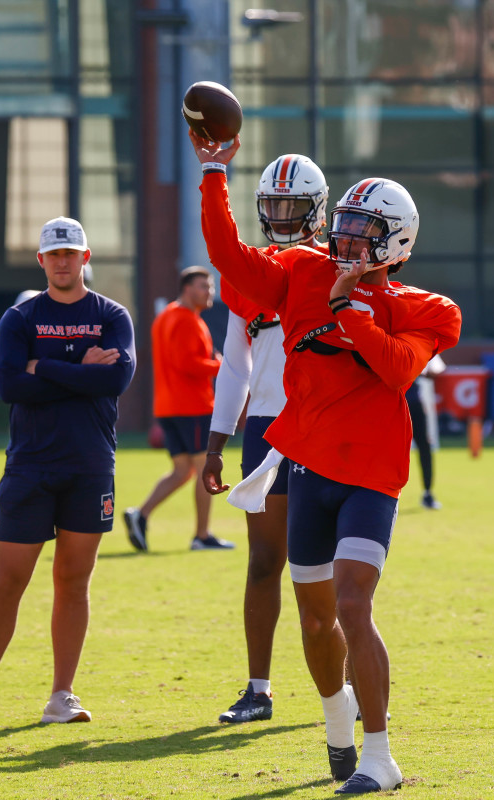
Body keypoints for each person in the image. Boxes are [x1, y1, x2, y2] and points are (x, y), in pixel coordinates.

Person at [195, 130, 462, 794]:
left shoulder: (427, 309)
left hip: (371, 476)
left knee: (351, 605)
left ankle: (380, 756)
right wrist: (211, 171)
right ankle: (337, 716)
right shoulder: (299, 273)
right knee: (315, 620)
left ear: (395, 239)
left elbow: (397, 370)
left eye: (361, 229)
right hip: (306, 468)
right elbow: (227, 255)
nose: (342, 241)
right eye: (341, 226)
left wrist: (351, 311)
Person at [0, 217, 135, 728]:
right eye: (54, 254)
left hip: (90, 464)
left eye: (70, 253)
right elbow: (9, 385)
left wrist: (45, 366)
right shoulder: (19, 317)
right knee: (8, 580)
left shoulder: (113, 315)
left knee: (73, 582)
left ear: (85, 257)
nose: (62, 261)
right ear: (40, 260)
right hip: (30, 466)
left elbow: (118, 377)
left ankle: (62, 696)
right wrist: (82, 370)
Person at [200, 154, 330, 723]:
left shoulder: (336, 267)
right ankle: (258, 689)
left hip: (324, 428)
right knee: (262, 562)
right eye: (272, 206)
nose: (279, 217)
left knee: (326, 569)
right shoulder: (247, 274)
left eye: (291, 207)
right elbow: (235, 366)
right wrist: (215, 440)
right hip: (265, 428)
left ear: (317, 212)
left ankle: (346, 688)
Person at [124, 266, 231, 552]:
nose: (209, 292)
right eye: (203, 286)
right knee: (203, 470)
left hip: (169, 407)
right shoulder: (186, 319)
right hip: (191, 407)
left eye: (209, 287)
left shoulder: (167, 316)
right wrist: (221, 365)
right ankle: (202, 536)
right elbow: (188, 364)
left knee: (183, 471)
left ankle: (140, 514)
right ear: (187, 289)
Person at [405, 355, 446, 510]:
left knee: (424, 446)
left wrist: (418, 371)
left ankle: (428, 492)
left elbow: (437, 370)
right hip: (392, 401)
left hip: (413, 402)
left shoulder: (421, 340)